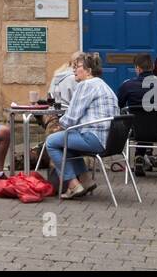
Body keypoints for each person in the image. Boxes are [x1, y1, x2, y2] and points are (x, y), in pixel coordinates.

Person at [44, 52, 119, 199]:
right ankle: (86, 181)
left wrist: (55, 122)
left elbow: (70, 119)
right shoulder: (104, 85)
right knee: (68, 142)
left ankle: (73, 185)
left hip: (95, 139)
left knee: (52, 142)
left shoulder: (86, 85)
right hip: (110, 141)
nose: (73, 70)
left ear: (88, 71)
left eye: (77, 66)